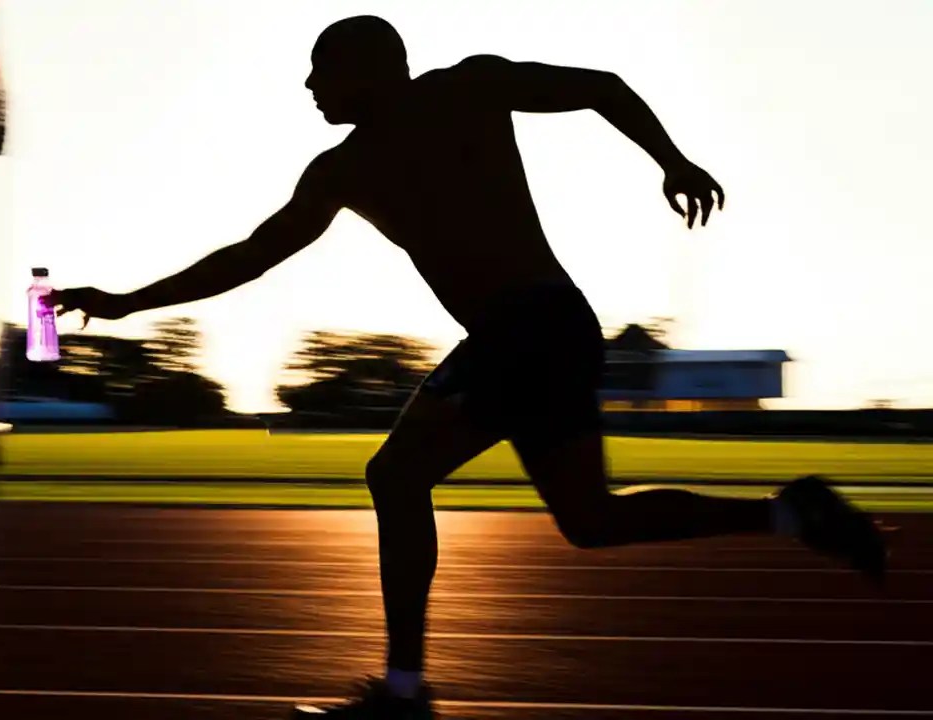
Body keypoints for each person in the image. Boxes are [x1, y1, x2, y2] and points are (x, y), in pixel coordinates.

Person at [48, 15, 888, 719]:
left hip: (521, 331)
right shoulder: (400, 133)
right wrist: (668, 160)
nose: (308, 89)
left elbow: (252, 257)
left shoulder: (416, 120)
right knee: (588, 520)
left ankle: (404, 693)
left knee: (395, 476)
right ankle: (791, 515)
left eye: (319, 73)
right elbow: (601, 86)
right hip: (558, 327)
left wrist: (124, 304)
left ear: (365, 72)